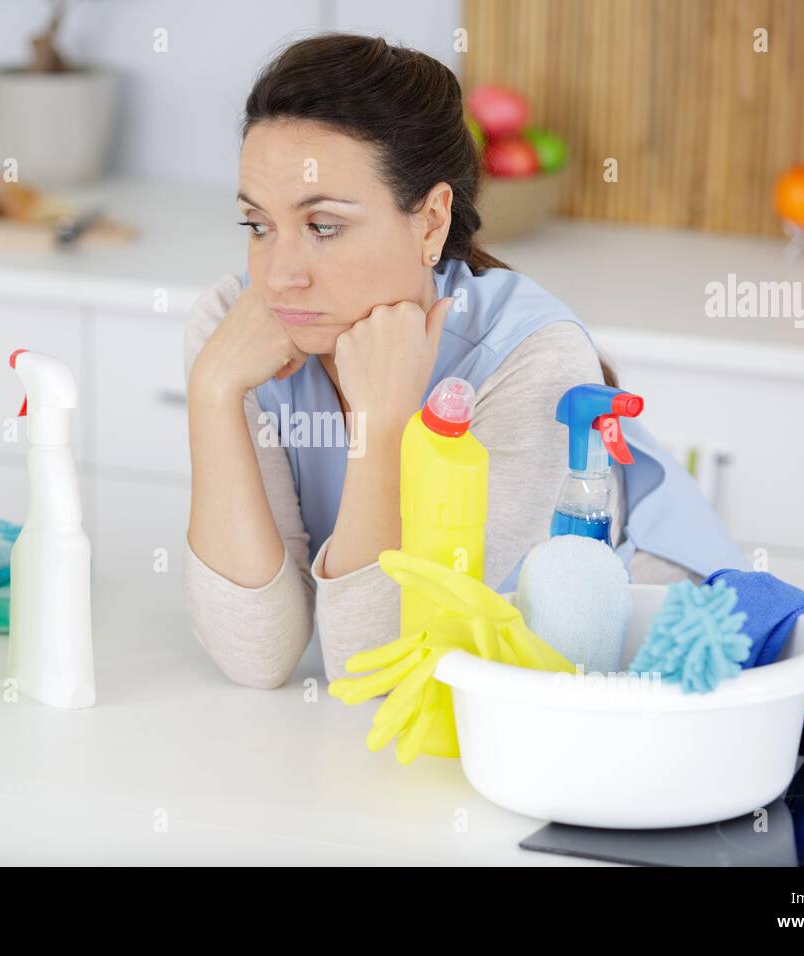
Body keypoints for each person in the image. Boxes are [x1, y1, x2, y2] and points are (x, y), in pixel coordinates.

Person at [183, 33, 743, 690]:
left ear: (430, 222)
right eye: (258, 226)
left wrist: (384, 425)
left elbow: (386, 674)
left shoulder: (530, 361)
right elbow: (256, 656)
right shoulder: (239, 334)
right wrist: (213, 391)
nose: (279, 277)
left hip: (650, 675)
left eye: (324, 226)